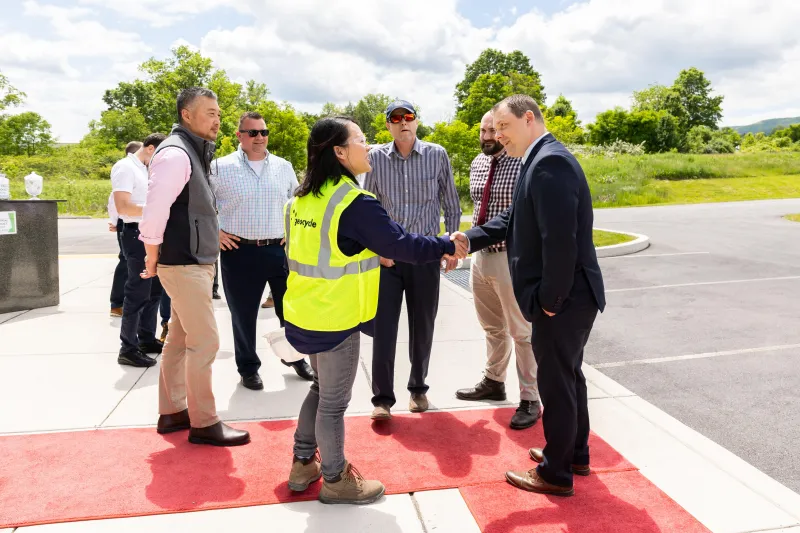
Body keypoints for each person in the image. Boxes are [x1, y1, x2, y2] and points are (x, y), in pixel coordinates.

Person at [284, 116, 465, 505]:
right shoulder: (353, 202)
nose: (368, 147)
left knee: (321, 389)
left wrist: (371, 250)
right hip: (335, 317)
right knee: (334, 402)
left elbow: (331, 244)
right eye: (360, 140)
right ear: (340, 151)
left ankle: (303, 462)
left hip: (304, 310)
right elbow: (401, 244)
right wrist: (446, 244)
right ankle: (335, 480)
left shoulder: (303, 197)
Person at [452, 94, 605, 496]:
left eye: (504, 127)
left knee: (556, 382)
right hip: (570, 296)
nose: (498, 136)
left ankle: (556, 473)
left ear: (529, 119)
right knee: (568, 377)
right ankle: (574, 453)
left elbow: (560, 241)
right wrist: (468, 237)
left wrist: (551, 302)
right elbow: (513, 219)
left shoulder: (548, 162)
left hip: (564, 299)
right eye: (495, 128)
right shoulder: (537, 160)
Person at [139, 87, 250, 447]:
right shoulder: (176, 153)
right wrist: (150, 254)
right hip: (183, 261)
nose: (217, 119)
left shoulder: (192, 150)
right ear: (187, 115)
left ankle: (172, 412)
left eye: (219, 113)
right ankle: (204, 422)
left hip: (189, 259)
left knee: (180, 338)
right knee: (206, 341)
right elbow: (155, 206)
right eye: (210, 113)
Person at [363, 100, 462, 419]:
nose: (403, 122)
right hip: (388, 258)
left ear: (416, 122)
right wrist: (377, 249)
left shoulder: (437, 154)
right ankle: (382, 399)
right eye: (396, 118)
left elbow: (451, 203)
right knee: (383, 328)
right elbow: (368, 204)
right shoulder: (375, 157)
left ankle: (418, 389)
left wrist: (451, 244)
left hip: (424, 255)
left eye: (409, 117)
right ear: (388, 125)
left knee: (423, 325)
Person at [214, 111, 314, 390]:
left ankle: (294, 358)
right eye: (252, 132)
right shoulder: (220, 167)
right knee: (243, 314)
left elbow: (297, 204)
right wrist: (215, 232)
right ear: (239, 136)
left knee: (290, 311)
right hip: (239, 253)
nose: (260, 137)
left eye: (263, 132)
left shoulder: (283, 166)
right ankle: (248, 367)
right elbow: (202, 205)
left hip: (278, 251)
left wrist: (294, 235)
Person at [455, 111, 541, 430]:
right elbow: (479, 209)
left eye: (494, 129)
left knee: (521, 332)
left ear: (504, 130)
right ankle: (494, 381)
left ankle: (531, 398)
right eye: (482, 130)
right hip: (480, 258)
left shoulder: (521, 162)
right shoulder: (478, 163)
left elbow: (514, 215)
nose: (488, 135)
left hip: (511, 258)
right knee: (492, 327)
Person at [113, 134, 167, 367]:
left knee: (154, 289)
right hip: (135, 234)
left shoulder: (144, 169)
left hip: (150, 233)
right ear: (150, 148)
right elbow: (123, 206)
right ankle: (128, 348)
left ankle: (146, 339)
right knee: (137, 291)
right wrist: (158, 210)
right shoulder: (125, 168)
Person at [108, 141, 143, 318]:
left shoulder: (136, 169)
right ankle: (117, 303)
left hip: (133, 221)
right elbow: (114, 201)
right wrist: (115, 221)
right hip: (127, 221)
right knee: (126, 262)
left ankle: (119, 303)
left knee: (127, 261)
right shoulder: (126, 169)